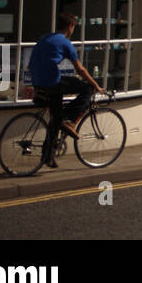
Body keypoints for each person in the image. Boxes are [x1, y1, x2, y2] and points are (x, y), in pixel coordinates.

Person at [28, 12, 106, 167]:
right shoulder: (65, 43)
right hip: (52, 82)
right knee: (87, 88)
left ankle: (47, 156)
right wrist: (96, 85)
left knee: (54, 120)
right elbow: (80, 70)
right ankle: (68, 120)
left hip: (38, 83)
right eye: (74, 27)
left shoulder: (45, 38)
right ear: (71, 26)